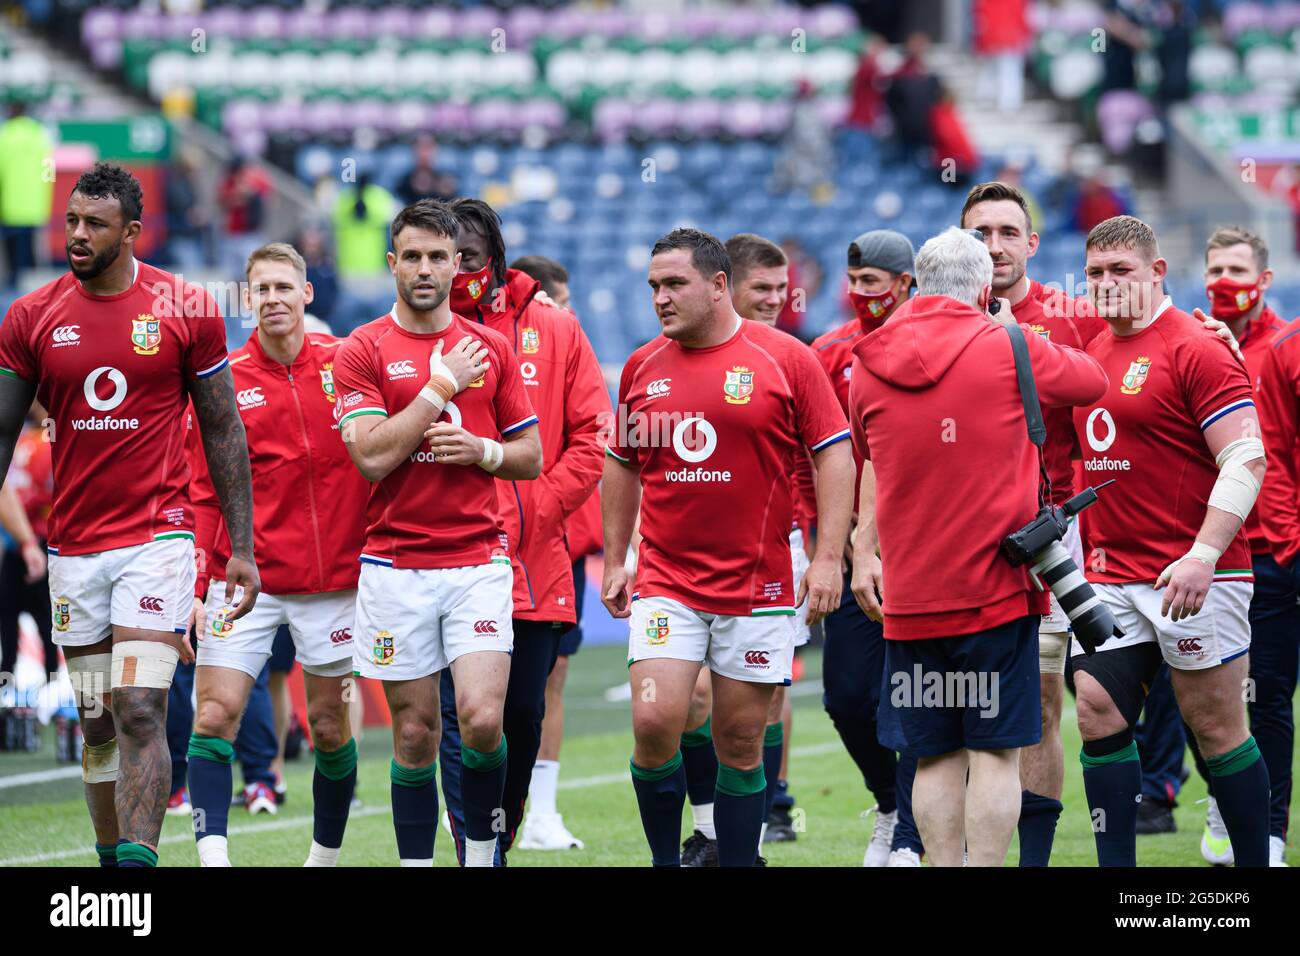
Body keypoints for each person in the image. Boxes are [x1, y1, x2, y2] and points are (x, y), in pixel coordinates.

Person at [0, 162, 259, 868]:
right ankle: (112, 866)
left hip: (158, 539)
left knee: (140, 707)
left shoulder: (187, 308)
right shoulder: (31, 316)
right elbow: (3, 428)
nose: (76, 234)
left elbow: (223, 426)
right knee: (96, 721)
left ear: (133, 232)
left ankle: (138, 878)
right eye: (72, 221)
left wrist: (241, 544)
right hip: (73, 550)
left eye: (94, 225)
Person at [848, 225, 1107, 866]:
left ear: (917, 285)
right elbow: (1094, 382)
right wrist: (1013, 325)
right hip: (996, 594)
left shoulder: (866, 362)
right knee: (995, 752)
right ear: (984, 287)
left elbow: (868, 451)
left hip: (909, 601)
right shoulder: (1010, 343)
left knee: (933, 754)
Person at [602, 228, 855, 867]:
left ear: (718, 286)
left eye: (674, 284)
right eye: (654, 286)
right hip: (667, 581)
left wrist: (827, 556)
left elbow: (835, 455)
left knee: (741, 739)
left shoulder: (785, 358)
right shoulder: (641, 366)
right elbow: (622, 464)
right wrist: (614, 558)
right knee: (655, 723)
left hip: (759, 582)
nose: (660, 298)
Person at [333, 199, 542, 867]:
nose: (424, 269)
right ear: (392, 263)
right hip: (395, 567)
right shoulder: (361, 348)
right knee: (417, 734)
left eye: (437, 257)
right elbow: (369, 456)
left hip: (477, 562)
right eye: (411, 256)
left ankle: (481, 855)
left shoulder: (496, 349)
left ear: (458, 265)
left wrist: (481, 451)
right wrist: (439, 386)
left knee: (483, 720)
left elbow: (532, 455)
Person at [1070, 215, 1270, 868]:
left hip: (1195, 574)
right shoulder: (1089, 353)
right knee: (1097, 708)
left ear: (1157, 272)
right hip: (1110, 574)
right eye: (1095, 273)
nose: (1105, 284)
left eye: (1120, 271)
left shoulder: (1196, 346)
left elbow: (1245, 458)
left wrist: (1204, 555)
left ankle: (1251, 865)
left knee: (1215, 728)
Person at [182, 242, 369, 867]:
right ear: (247, 300)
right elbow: (203, 492)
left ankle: (322, 860)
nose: (272, 300)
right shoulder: (225, 381)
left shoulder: (348, 364)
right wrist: (200, 586)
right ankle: (214, 862)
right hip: (247, 580)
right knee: (214, 712)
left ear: (307, 294)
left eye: (283, 288)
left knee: (332, 728)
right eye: (260, 290)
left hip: (338, 584)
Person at [436, 200, 607, 864]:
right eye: (446, 261)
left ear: (495, 260)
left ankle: (494, 837)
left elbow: (594, 436)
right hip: (444, 561)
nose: (456, 274)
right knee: (458, 721)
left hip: (536, 561)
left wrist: (540, 508)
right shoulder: (418, 333)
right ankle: (478, 853)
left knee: (522, 717)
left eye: (468, 261)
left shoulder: (555, 330)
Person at [960, 180, 1107, 865]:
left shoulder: (1074, 318)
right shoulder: (933, 317)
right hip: (956, 538)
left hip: (1046, 537)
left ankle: (1035, 859)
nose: (994, 247)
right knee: (964, 707)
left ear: (1032, 243)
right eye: (981, 233)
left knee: (1044, 701)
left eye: (1007, 233)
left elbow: (1110, 414)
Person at [810, 229, 915, 866]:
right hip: (855, 559)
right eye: (853, 283)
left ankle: (913, 834)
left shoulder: (940, 345)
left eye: (872, 283)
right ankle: (890, 803)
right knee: (847, 698)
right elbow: (810, 459)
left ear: (905, 283)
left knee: (914, 696)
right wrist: (828, 545)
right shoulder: (828, 352)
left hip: (926, 556)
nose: (859, 295)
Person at [506, 253, 600, 851]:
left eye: (562, 305)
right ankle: (474, 794)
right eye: (546, 305)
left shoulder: (569, 355)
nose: (555, 314)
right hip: (491, 545)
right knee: (476, 687)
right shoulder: (508, 362)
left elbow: (601, 450)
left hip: (559, 546)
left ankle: (541, 809)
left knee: (551, 680)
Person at [1214, 225, 1297, 868]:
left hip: (1287, 545)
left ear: (1263, 280)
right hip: (1246, 557)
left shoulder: (1291, 346)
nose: (1224, 282)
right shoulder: (1204, 348)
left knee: (1260, 695)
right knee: (1256, 695)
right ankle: (1264, 830)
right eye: (1216, 269)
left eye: (1237, 271)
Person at [0, 409, 53, 681]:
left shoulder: (45, 440)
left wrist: (27, 540)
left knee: (47, 619)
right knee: (7, 617)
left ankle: (53, 681)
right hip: (19, 543)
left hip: (38, 540)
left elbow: (11, 492)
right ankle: (6, 678)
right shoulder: (21, 440)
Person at [0, 103, 54, 290]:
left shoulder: (5, 135)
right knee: (31, 251)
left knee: (12, 252)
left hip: (10, 204)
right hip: (36, 204)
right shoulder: (41, 135)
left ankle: (13, 285)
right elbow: (50, 171)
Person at [332, 174, 398, 280]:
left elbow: (393, 216)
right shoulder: (344, 198)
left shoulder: (379, 196)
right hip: (347, 267)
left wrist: (368, 211)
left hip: (374, 266)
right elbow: (335, 216)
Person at [395, 134, 458, 207]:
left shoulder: (445, 178)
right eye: (421, 147)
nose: (424, 152)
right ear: (414, 149)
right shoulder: (403, 179)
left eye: (428, 147)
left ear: (436, 149)